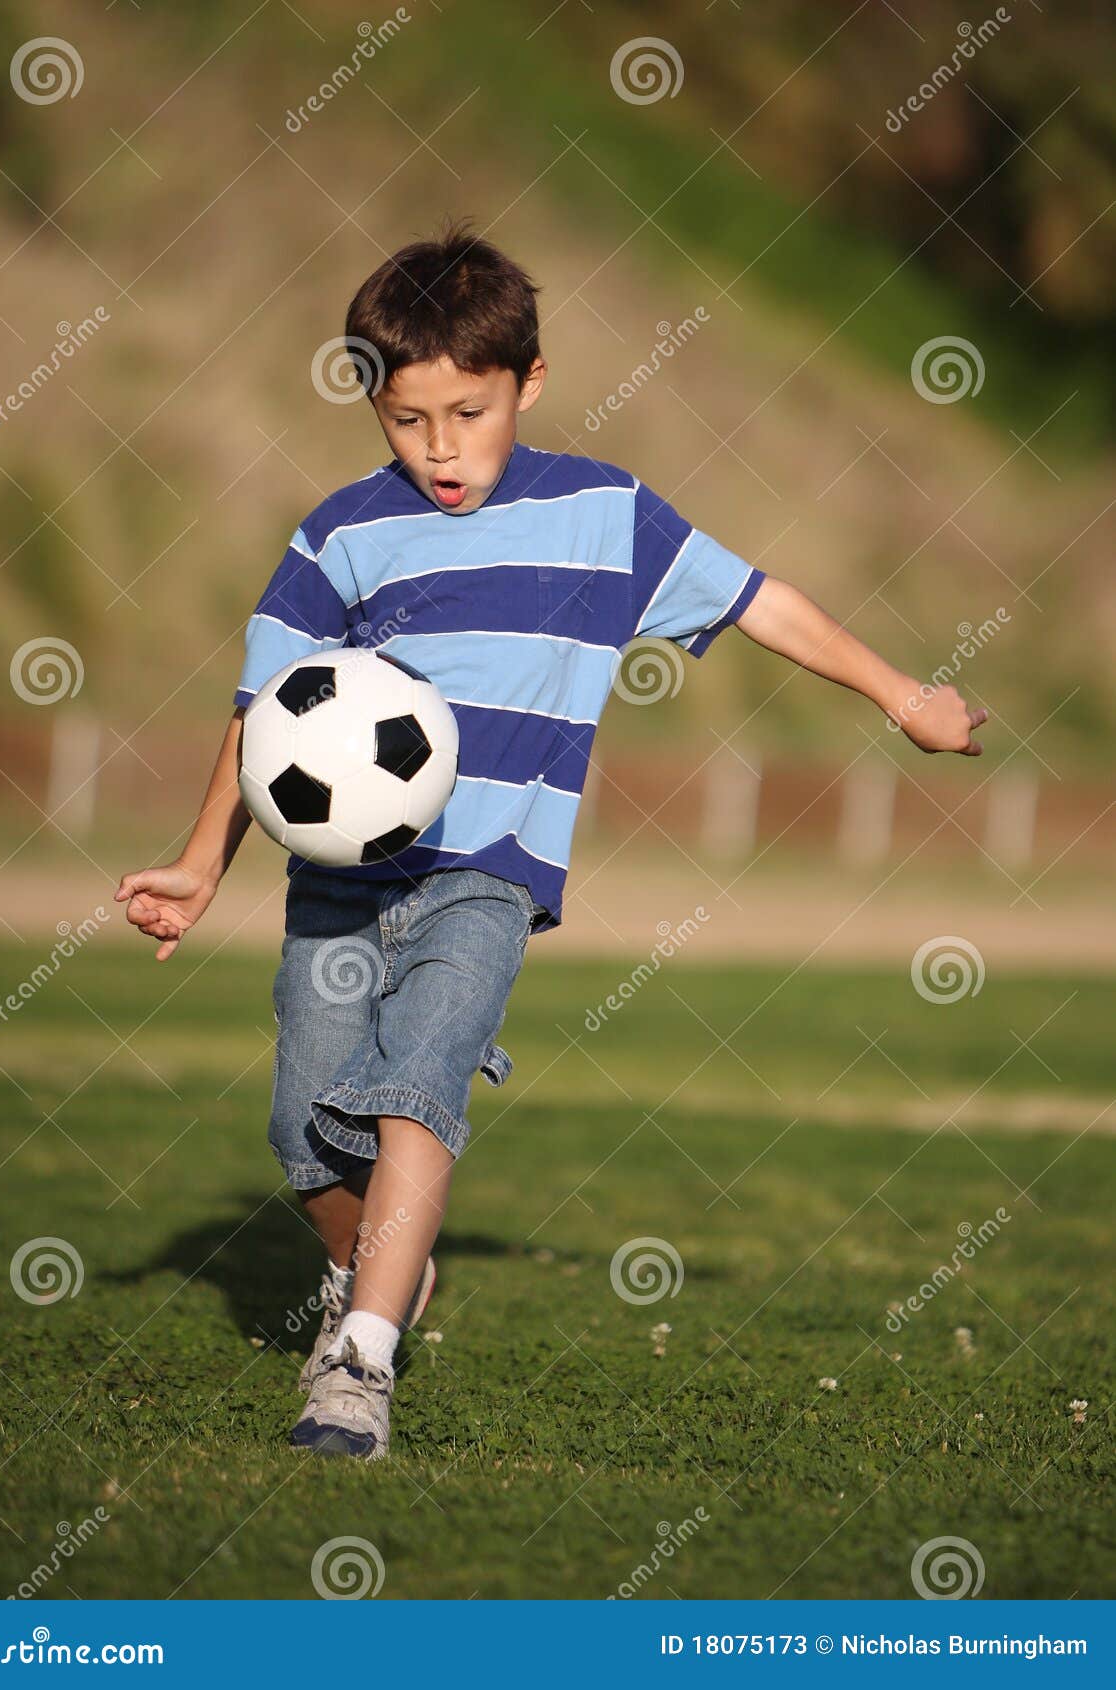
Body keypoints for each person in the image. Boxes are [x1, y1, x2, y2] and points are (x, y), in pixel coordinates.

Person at [114, 219, 987, 1461]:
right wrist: (203, 861)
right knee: (306, 1130)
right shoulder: (341, 534)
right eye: (407, 419)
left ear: (529, 382)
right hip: (340, 887)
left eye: (468, 413)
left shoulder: (602, 513)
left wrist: (904, 696)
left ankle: (358, 1359)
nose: (440, 449)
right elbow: (269, 712)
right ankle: (383, 1269)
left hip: (486, 877)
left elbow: (759, 601)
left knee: (418, 1089)